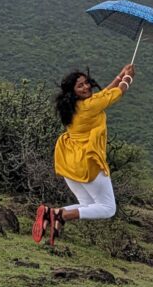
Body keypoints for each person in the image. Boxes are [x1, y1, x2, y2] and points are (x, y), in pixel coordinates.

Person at [33, 62, 135, 245]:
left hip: (68, 160)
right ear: (72, 91)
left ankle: (52, 222)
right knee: (108, 208)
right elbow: (118, 93)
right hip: (87, 162)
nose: (86, 87)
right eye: (80, 85)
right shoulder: (90, 106)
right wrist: (129, 77)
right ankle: (61, 214)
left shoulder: (72, 106)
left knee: (87, 204)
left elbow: (104, 95)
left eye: (86, 82)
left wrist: (120, 75)